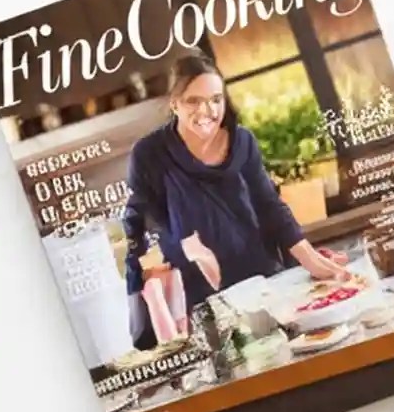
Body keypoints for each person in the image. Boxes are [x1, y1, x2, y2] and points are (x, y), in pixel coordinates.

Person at [123, 52, 349, 349]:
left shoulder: (243, 141)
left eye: (216, 99)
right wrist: (185, 247)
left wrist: (310, 258)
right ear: (174, 103)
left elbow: (270, 207)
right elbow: (141, 223)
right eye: (193, 101)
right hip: (203, 299)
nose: (207, 110)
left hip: (264, 282)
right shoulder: (149, 154)